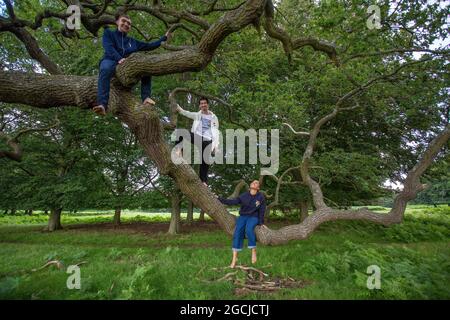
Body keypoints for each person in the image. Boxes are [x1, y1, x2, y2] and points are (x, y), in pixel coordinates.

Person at [93, 13, 170, 115]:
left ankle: (146, 97)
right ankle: (102, 104)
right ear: (117, 22)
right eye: (123, 21)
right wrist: (119, 58)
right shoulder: (109, 33)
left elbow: (149, 45)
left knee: (145, 66)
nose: (126, 24)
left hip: (125, 65)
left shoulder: (132, 41)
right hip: (110, 60)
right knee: (105, 69)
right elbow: (109, 47)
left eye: (129, 23)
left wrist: (164, 38)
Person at [218, 180, 267, 268]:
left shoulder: (261, 197)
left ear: (258, 188)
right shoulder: (244, 196)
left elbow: (262, 210)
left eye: (257, 183)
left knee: (249, 229)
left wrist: (261, 222)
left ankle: (253, 250)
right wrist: (219, 199)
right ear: (250, 186)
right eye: (253, 182)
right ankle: (234, 259)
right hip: (243, 216)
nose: (254, 183)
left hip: (253, 217)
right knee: (237, 233)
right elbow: (232, 202)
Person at [175, 97, 219, 185]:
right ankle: (179, 151)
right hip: (197, 137)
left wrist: (215, 146)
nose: (203, 105)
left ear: (208, 104)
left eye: (205, 103)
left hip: (208, 140)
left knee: (205, 162)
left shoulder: (214, 117)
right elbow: (186, 113)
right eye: (201, 104)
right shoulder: (197, 115)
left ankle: (204, 182)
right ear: (200, 105)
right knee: (180, 132)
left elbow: (216, 132)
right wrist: (177, 107)